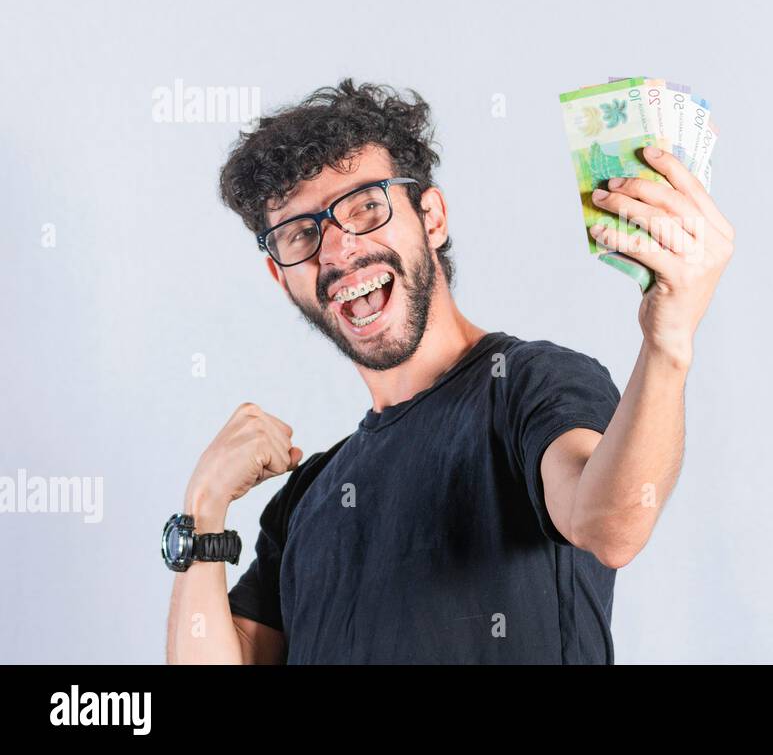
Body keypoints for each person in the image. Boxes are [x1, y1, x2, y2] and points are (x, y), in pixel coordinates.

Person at [163, 79, 735, 664]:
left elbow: (609, 526)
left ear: (431, 218)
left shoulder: (528, 384)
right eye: (301, 234)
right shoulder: (308, 497)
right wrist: (202, 508)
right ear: (282, 277)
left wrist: (667, 345)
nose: (335, 251)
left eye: (365, 206)